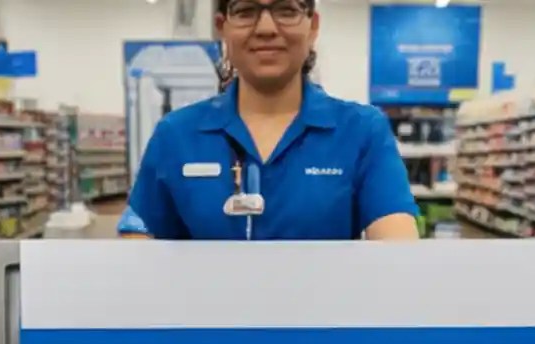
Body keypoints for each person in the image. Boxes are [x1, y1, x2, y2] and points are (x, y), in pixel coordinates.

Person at [118, 0, 420, 241]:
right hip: (206, 316)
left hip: (323, 317)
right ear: (222, 27)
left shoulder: (362, 131)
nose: (265, 27)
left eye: (286, 10)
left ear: (312, 26)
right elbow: (139, 242)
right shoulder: (176, 136)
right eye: (246, 10)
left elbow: (397, 252)